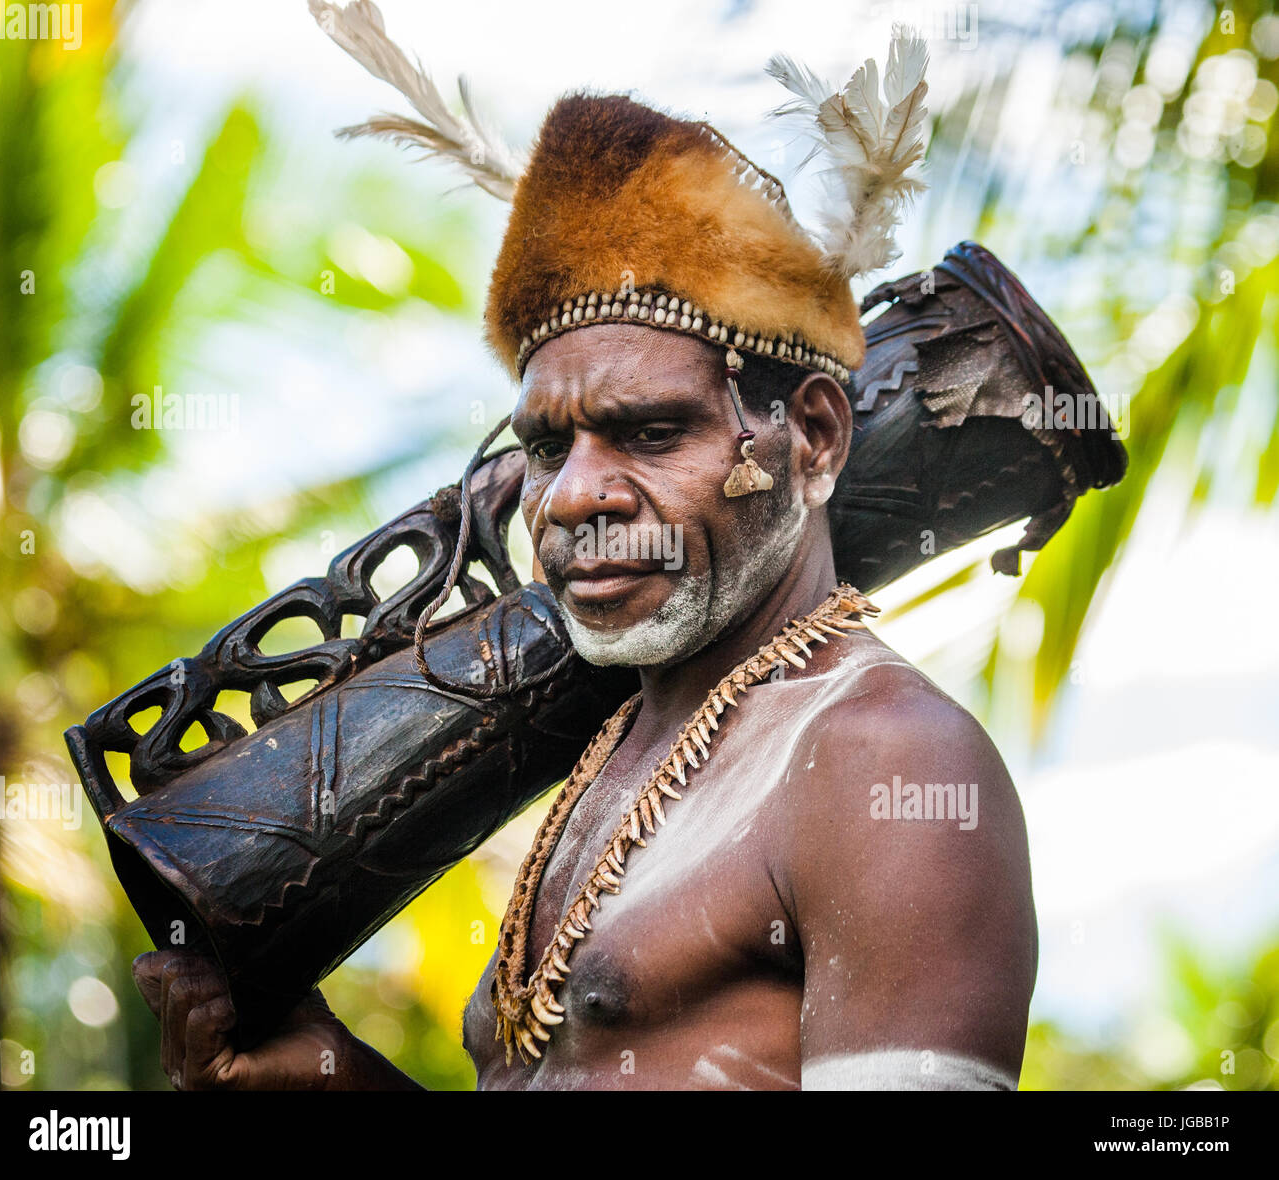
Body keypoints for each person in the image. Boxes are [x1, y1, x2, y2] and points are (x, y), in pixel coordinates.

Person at [132, 5, 1037, 1090]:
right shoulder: (613, 746)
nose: (575, 497)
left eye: (652, 431)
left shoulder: (888, 761)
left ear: (812, 435)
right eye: (547, 446)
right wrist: (330, 1074)